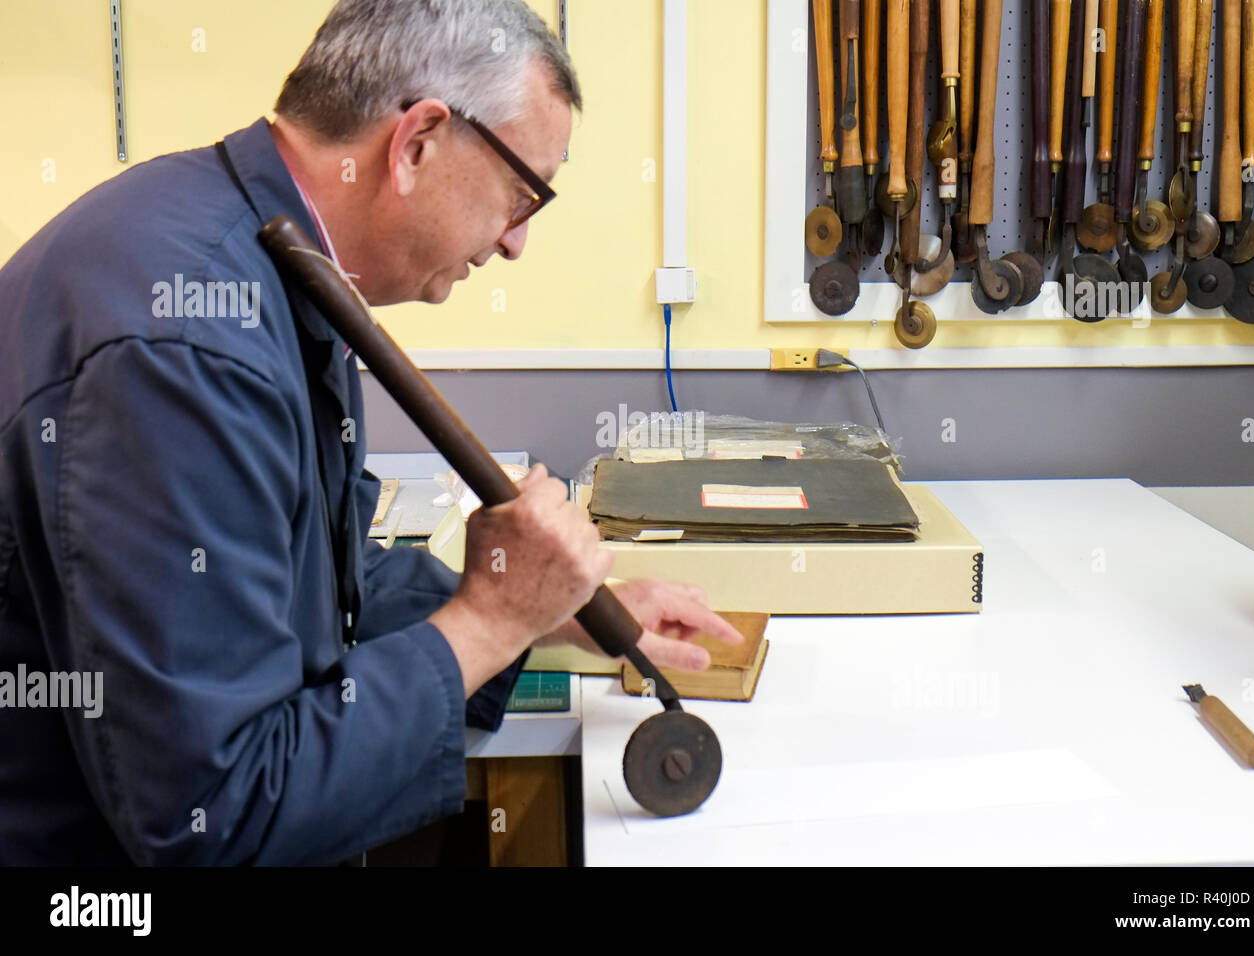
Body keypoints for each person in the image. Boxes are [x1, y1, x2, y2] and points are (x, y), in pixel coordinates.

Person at [0, 0, 742, 865]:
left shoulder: (270, 257)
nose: (516, 244)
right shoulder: (185, 346)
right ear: (419, 140)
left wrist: (552, 613)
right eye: (523, 193)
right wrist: (488, 624)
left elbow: (322, 576)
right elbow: (214, 814)